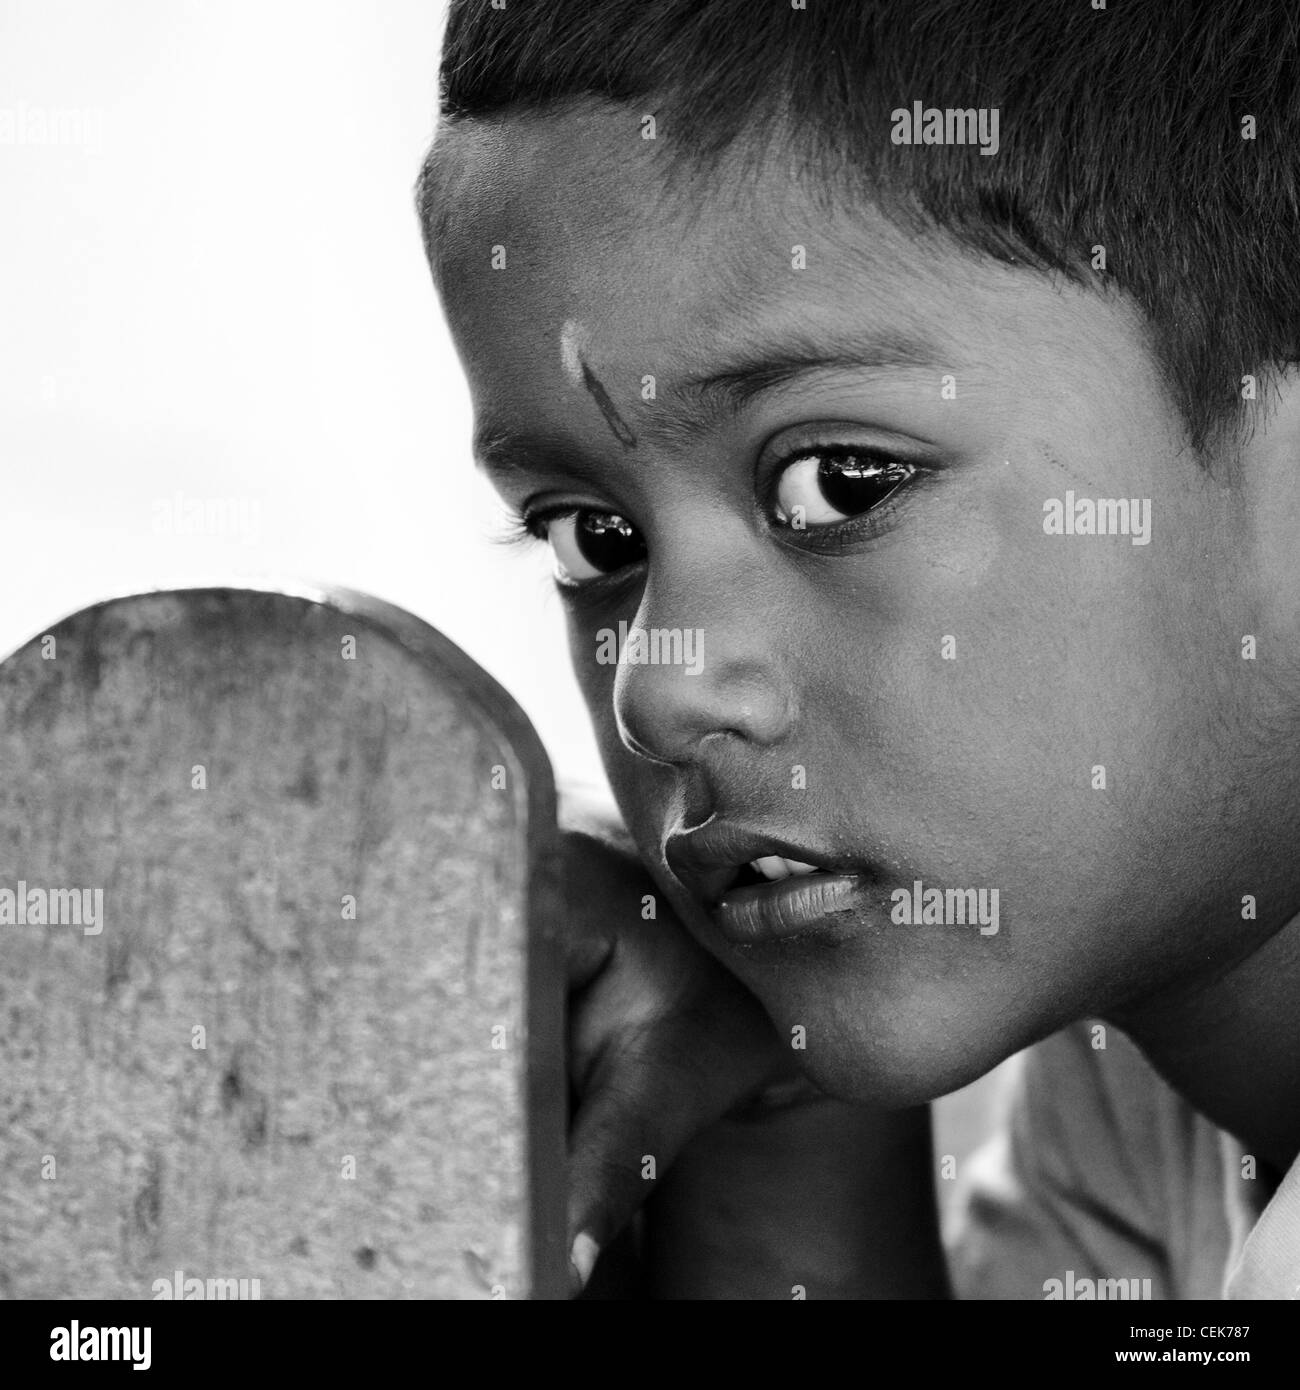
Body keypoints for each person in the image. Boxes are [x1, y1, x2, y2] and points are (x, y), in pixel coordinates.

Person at [418, 0, 1300, 1298]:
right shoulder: (1140, 1082)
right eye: (592, 537)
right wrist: (788, 1105)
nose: (658, 687)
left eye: (840, 482)